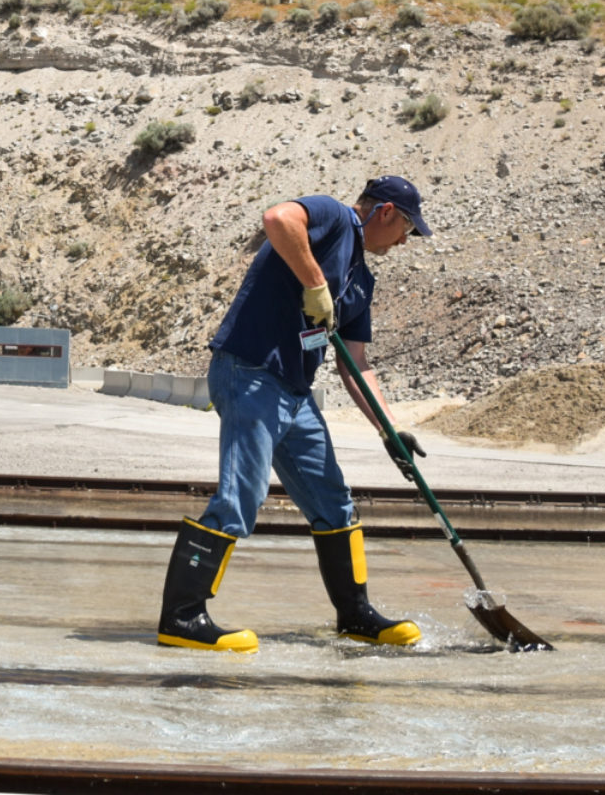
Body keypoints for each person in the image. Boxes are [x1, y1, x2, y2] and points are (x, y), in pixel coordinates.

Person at [156, 175, 433, 653]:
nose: (406, 241)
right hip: (251, 372)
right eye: (407, 227)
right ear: (385, 212)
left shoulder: (362, 280)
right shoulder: (332, 216)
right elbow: (278, 219)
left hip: (293, 390)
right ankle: (181, 618)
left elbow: (358, 364)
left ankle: (356, 615)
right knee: (241, 496)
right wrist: (314, 283)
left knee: (333, 501)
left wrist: (391, 430)